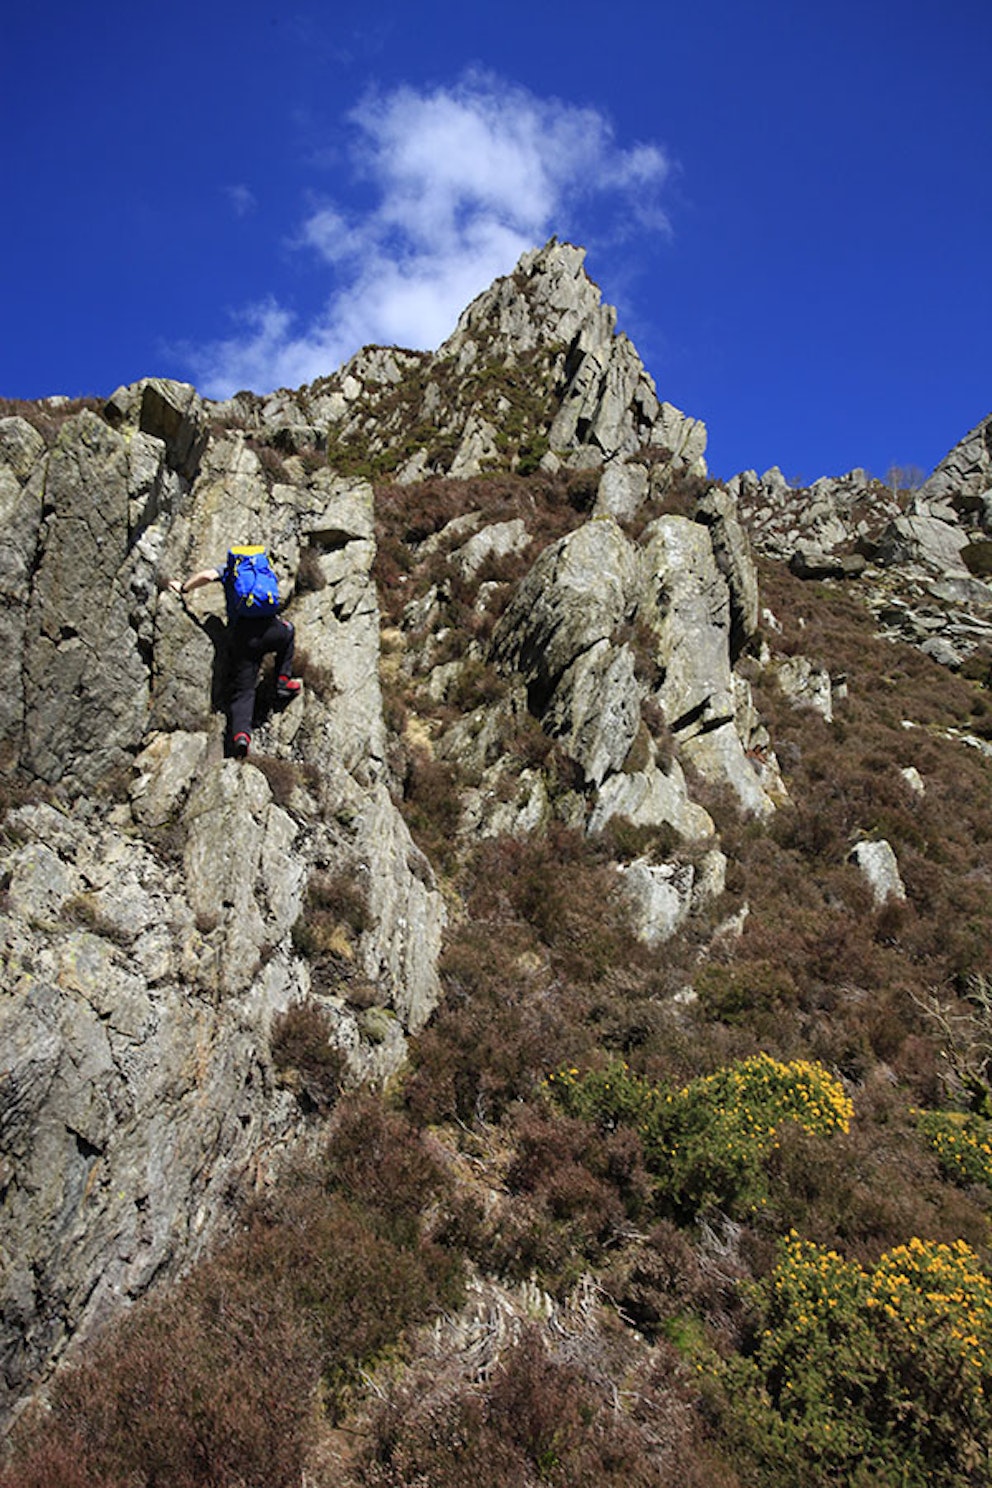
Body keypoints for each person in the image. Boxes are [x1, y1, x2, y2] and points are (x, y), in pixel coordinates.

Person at [169, 551, 301, 757]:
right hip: (272, 630)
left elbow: (207, 576)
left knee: (244, 690)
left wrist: (184, 587)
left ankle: (241, 736)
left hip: (243, 637)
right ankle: (283, 681)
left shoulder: (231, 570)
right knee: (289, 631)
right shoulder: (262, 569)